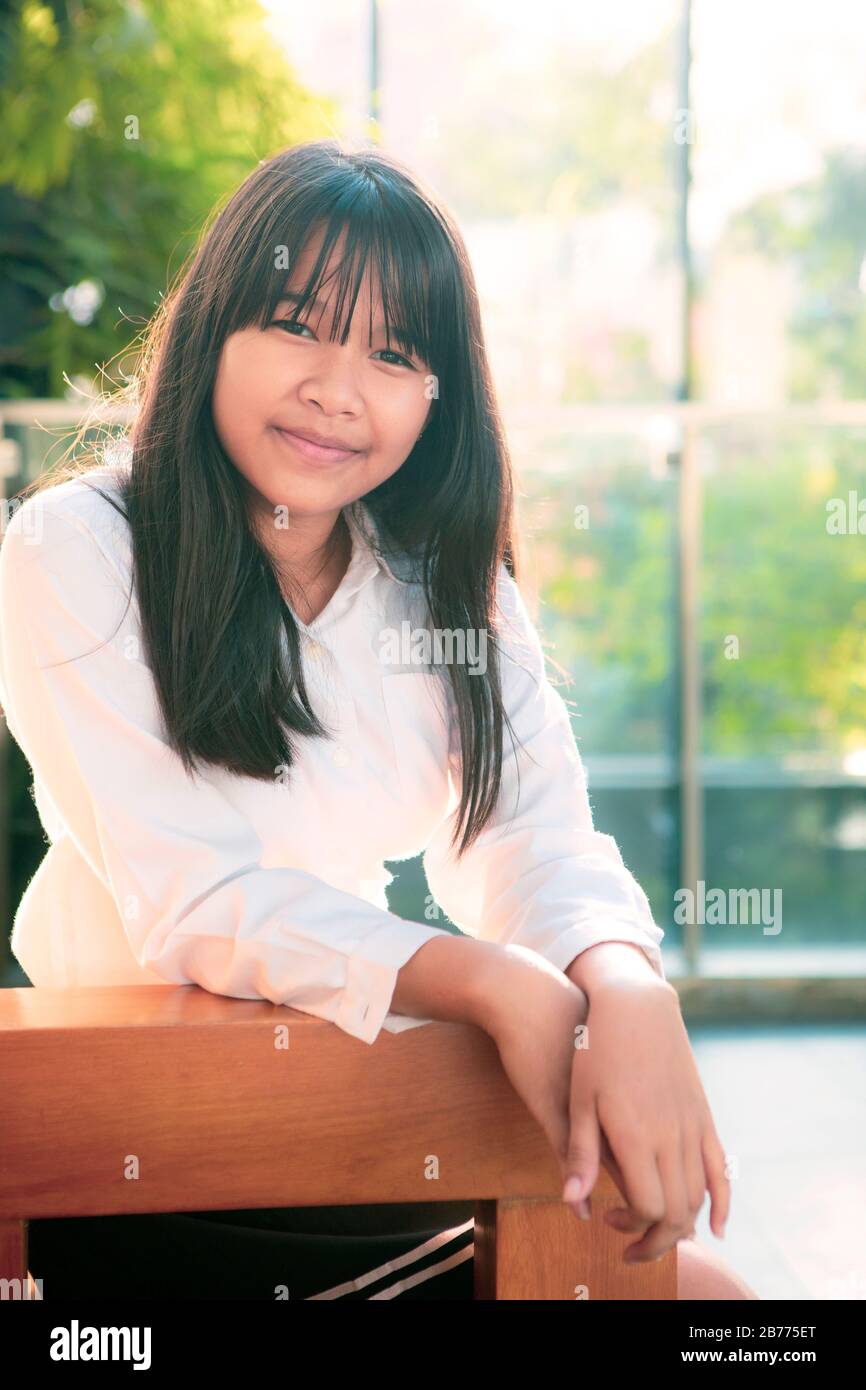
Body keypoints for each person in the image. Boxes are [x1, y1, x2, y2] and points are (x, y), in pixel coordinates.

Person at [0, 138, 757, 1301]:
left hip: (375, 1119)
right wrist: (495, 982)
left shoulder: (438, 582)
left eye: (393, 353)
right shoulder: (78, 549)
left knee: (714, 1304)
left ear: (435, 394)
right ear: (213, 328)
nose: (337, 389)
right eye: (297, 323)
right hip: (145, 1164)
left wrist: (623, 980)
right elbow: (200, 898)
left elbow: (530, 836)